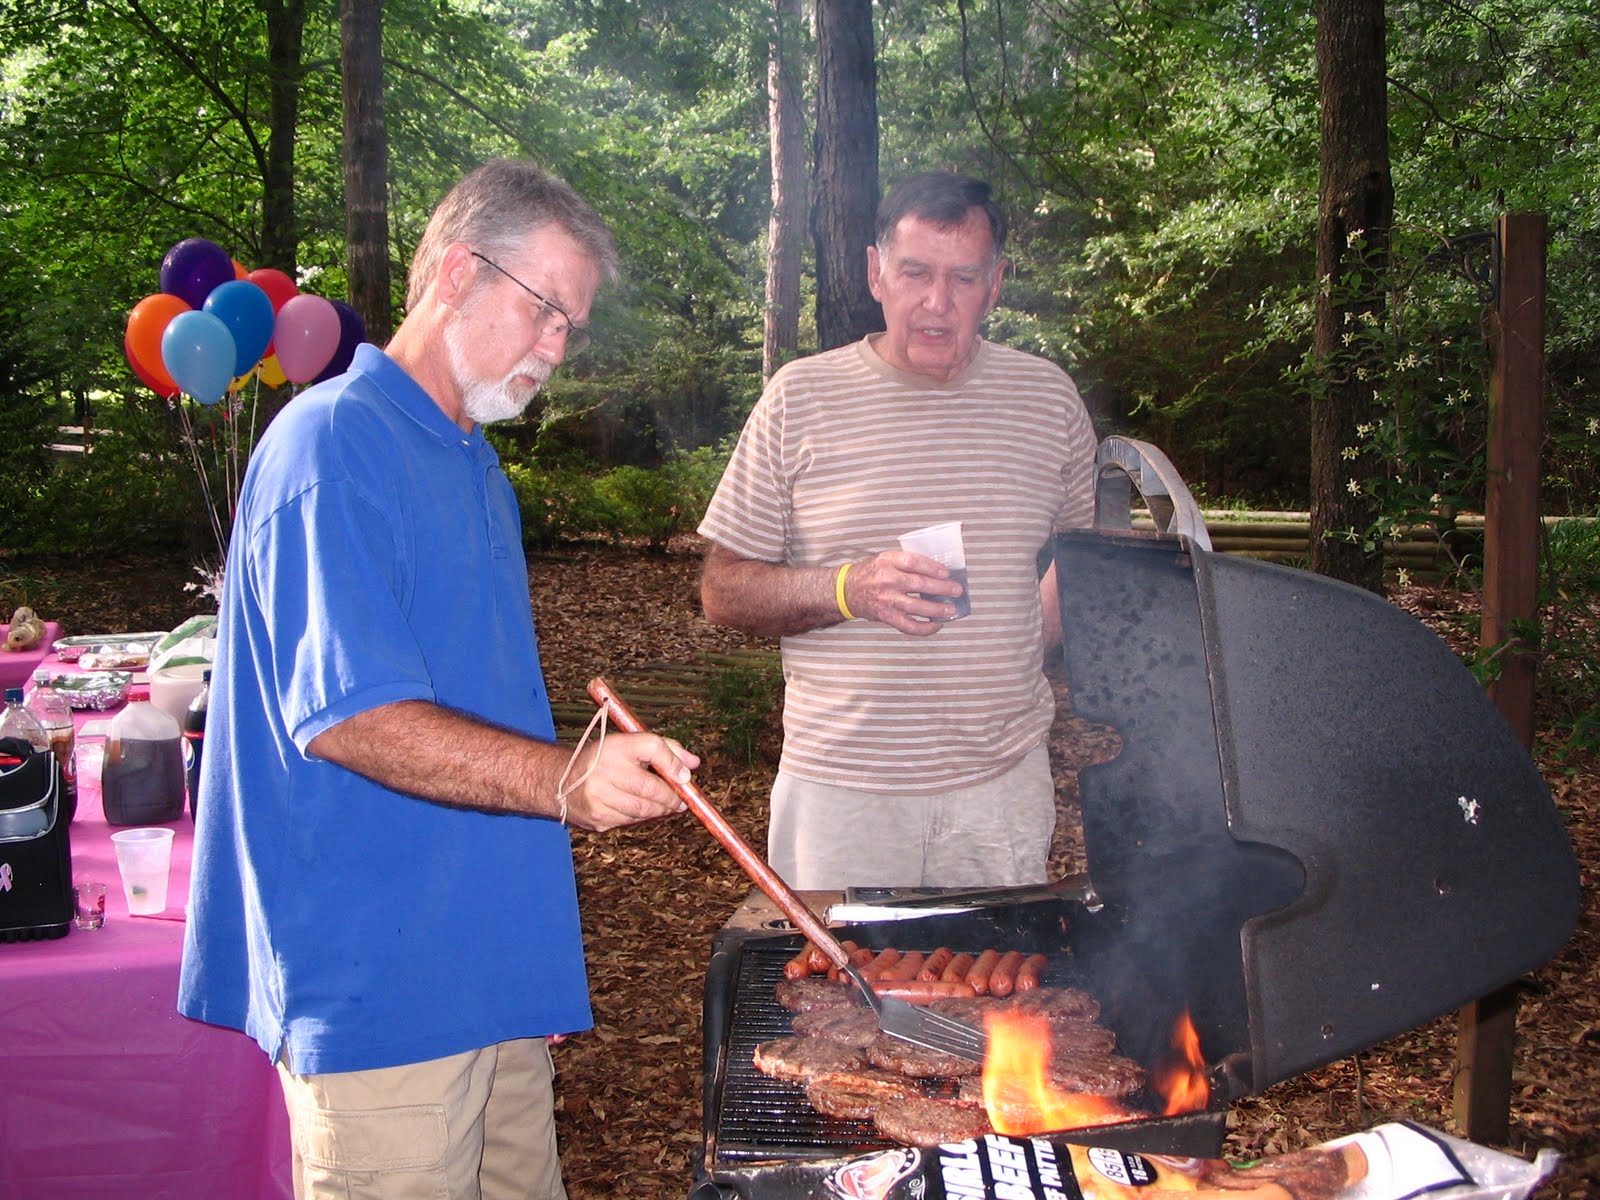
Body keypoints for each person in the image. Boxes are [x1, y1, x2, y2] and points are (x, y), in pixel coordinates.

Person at [178, 159, 698, 1200]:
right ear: (457, 272)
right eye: (546, 309)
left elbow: (477, 712)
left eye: (571, 326)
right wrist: (567, 780)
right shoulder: (334, 445)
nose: (556, 348)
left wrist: (527, 953)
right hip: (379, 998)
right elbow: (354, 721)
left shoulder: (471, 464)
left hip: (484, 976)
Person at [698, 170, 1097, 891]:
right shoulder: (801, 396)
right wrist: (850, 589)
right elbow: (723, 591)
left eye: (964, 278)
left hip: (1000, 787)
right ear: (876, 272)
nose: (937, 303)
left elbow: (1086, 555)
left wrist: (1022, 636)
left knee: (992, 995)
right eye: (915, 272)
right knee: (833, 997)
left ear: (997, 283)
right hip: (839, 795)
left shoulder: (1047, 400)